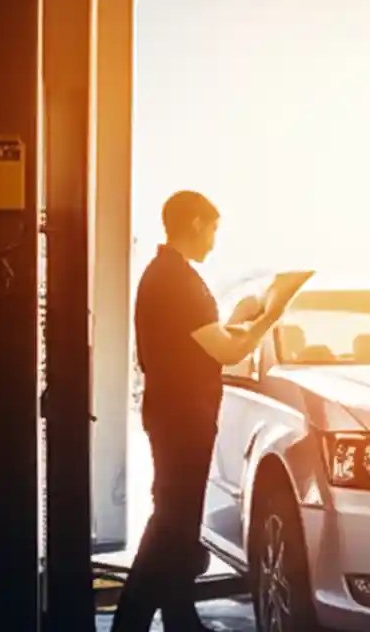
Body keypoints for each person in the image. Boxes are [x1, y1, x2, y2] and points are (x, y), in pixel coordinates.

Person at [112, 191, 285, 632]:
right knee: (172, 524)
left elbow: (199, 340)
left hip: (173, 413)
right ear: (195, 224)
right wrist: (270, 316)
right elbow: (227, 352)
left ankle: (179, 618)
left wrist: (239, 317)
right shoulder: (178, 281)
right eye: (212, 229)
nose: (213, 239)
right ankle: (130, 622)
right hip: (182, 418)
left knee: (178, 522)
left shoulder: (165, 275)